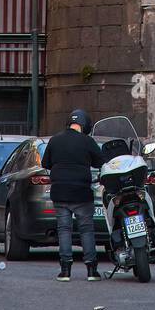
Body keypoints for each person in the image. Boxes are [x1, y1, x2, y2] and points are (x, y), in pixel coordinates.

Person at [41, 108, 103, 280]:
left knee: (64, 229)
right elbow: (100, 162)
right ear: (85, 126)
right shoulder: (87, 141)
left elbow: (46, 163)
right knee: (86, 230)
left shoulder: (54, 140)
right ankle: (91, 269)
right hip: (82, 192)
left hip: (60, 192)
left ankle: (65, 270)